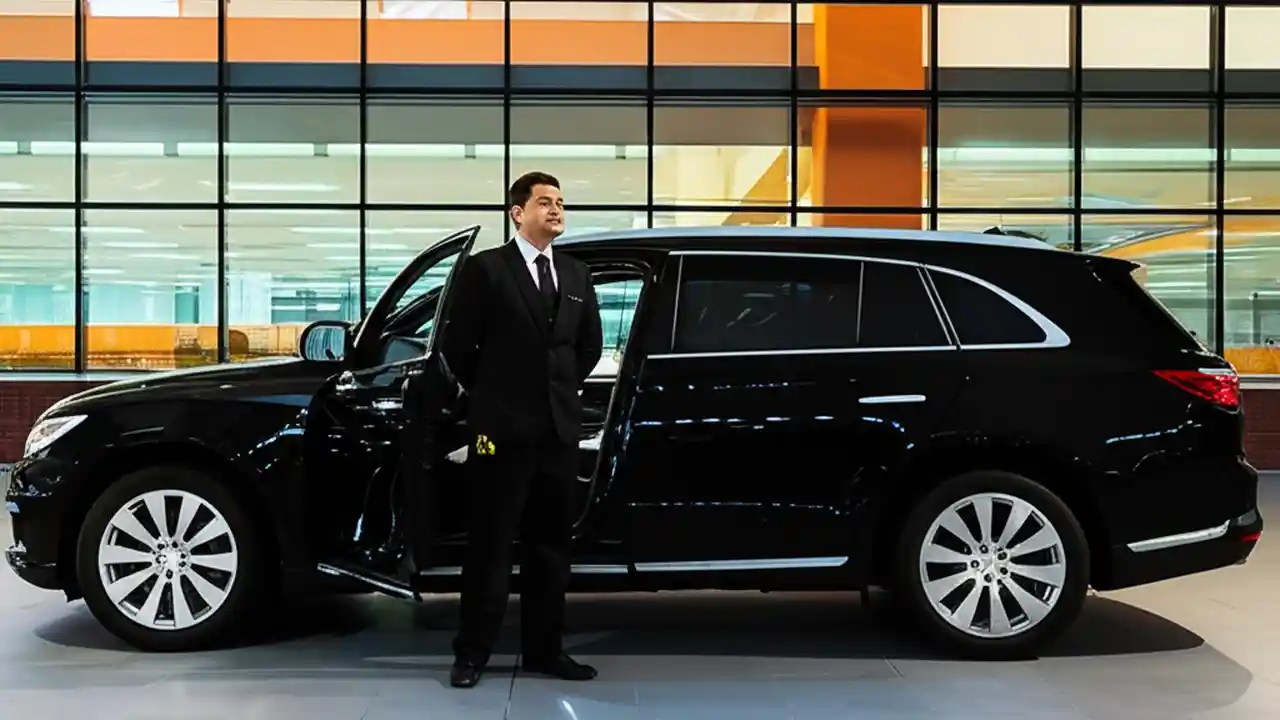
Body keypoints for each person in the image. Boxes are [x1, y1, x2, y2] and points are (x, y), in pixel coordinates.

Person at [435, 171, 604, 688]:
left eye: (560, 202)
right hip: (500, 431)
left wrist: (556, 392)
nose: (555, 210)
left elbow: (589, 348)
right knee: (490, 547)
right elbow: (457, 348)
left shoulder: (576, 275)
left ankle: (544, 651)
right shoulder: (486, 271)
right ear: (517, 213)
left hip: (557, 432)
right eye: (544, 202)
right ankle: (472, 653)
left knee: (550, 548)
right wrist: (497, 395)